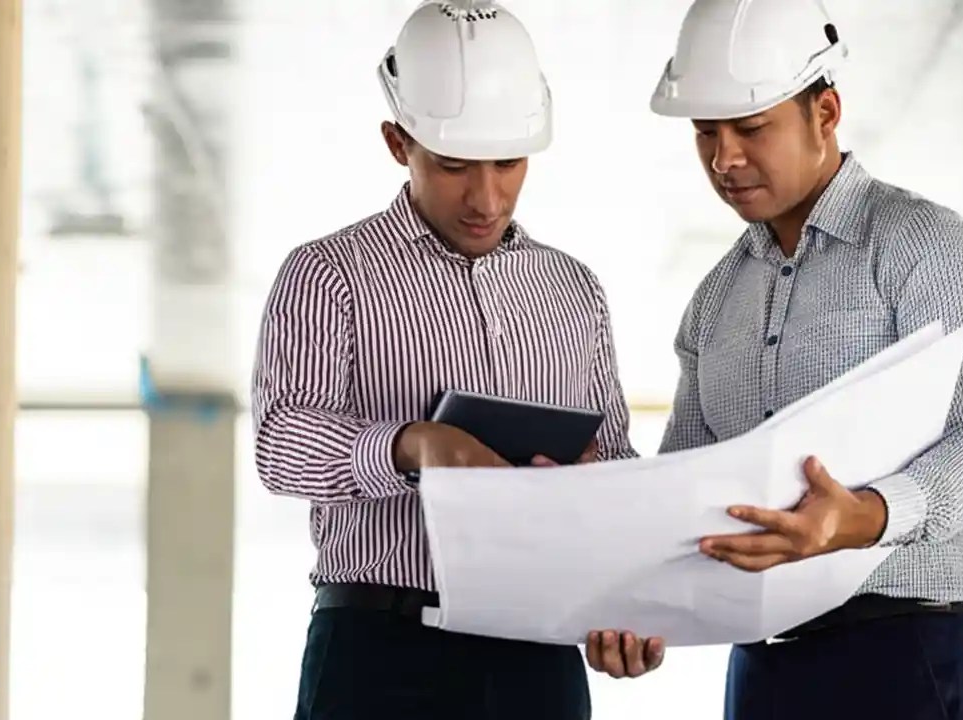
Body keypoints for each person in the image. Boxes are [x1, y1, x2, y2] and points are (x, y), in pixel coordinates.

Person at [250, 2, 663, 718]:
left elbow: (615, 459)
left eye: (509, 163)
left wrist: (628, 586)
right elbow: (279, 445)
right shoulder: (329, 274)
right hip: (380, 656)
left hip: (541, 659)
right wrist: (411, 446)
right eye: (454, 165)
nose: (487, 196)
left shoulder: (573, 290)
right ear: (395, 141)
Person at [646, 1, 963, 718]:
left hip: (901, 652)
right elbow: (686, 486)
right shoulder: (713, 299)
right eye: (706, 133)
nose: (725, 158)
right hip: (761, 665)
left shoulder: (925, 246)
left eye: (752, 128)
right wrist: (627, 592)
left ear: (826, 112)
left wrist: (864, 516)